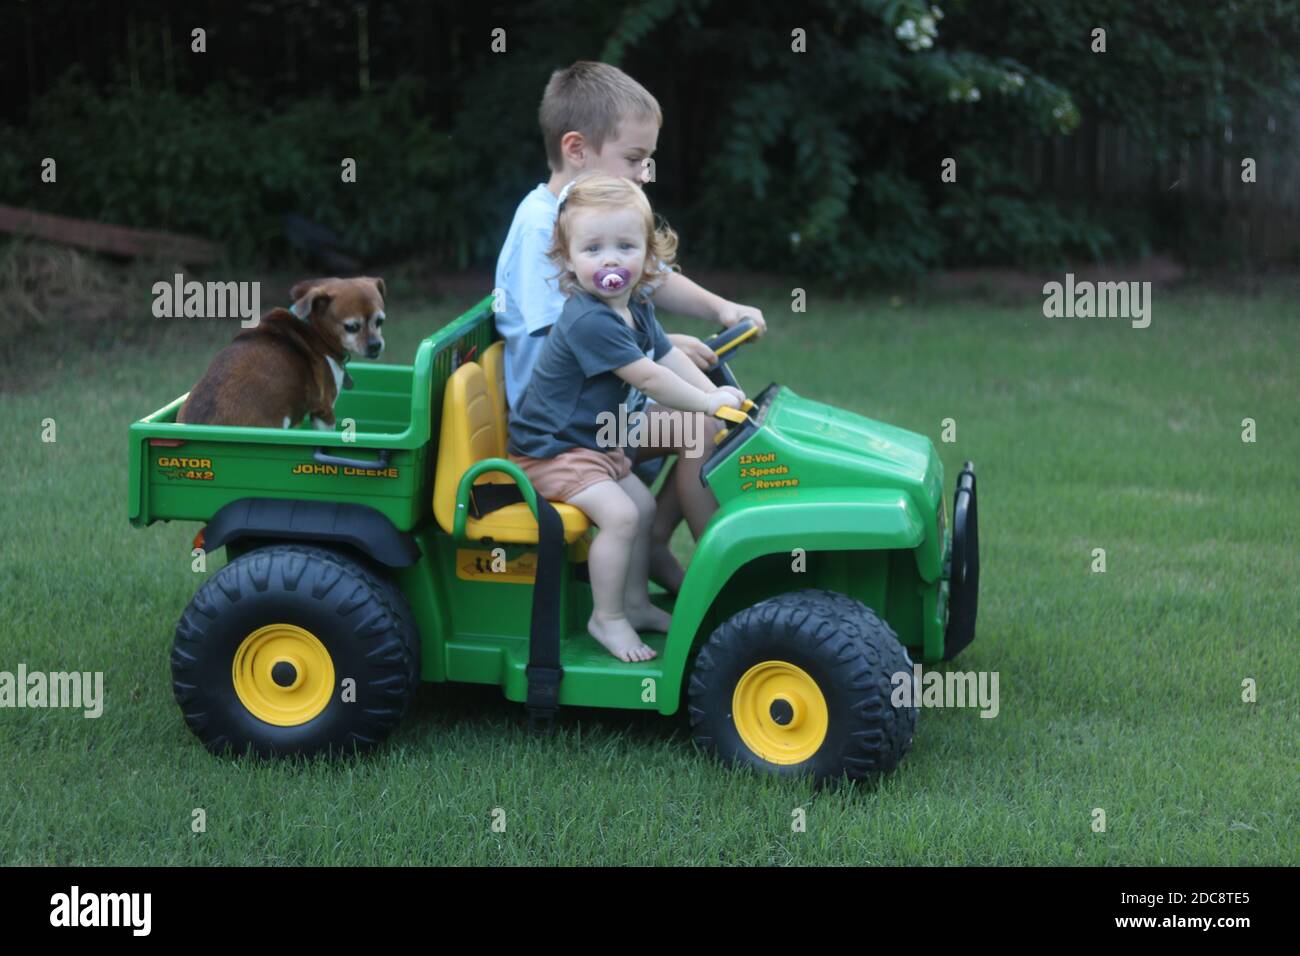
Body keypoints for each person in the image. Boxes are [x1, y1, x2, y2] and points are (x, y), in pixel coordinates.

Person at [494, 60, 767, 593]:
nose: (645, 173)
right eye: (635, 159)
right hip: (567, 428)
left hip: (600, 405)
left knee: (708, 406)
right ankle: (728, 583)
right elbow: (568, 342)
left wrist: (720, 311)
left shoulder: (594, 221)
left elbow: (654, 277)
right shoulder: (541, 229)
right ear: (577, 150)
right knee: (702, 425)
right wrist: (653, 354)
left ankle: (656, 545)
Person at [507, 174, 744, 662]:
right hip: (552, 451)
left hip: (597, 445)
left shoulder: (634, 305)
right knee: (618, 517)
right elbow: (650, 379)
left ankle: (634, 604)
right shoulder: (589, 318)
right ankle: (606, 618)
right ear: (567, 258)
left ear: (648, 256)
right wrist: (704, 405)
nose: (610, 259)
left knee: (643, 507)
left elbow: (667, 358)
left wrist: (716, 394)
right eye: (593, 248)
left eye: (624, 246)